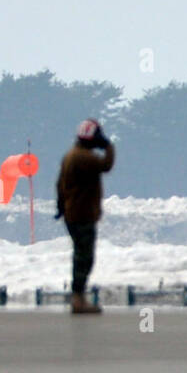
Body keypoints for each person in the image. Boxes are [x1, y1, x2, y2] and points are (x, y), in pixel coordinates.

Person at [55, 118, 116, 314]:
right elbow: (106, 165)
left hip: (73, 212)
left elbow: (59, 184)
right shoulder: (84, 158)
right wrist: (108, 146)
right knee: (84, 257)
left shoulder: (71, 155)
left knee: (80, 255)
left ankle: (78, 296)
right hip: (82, 214)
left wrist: (60, 206)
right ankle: (78, 298)